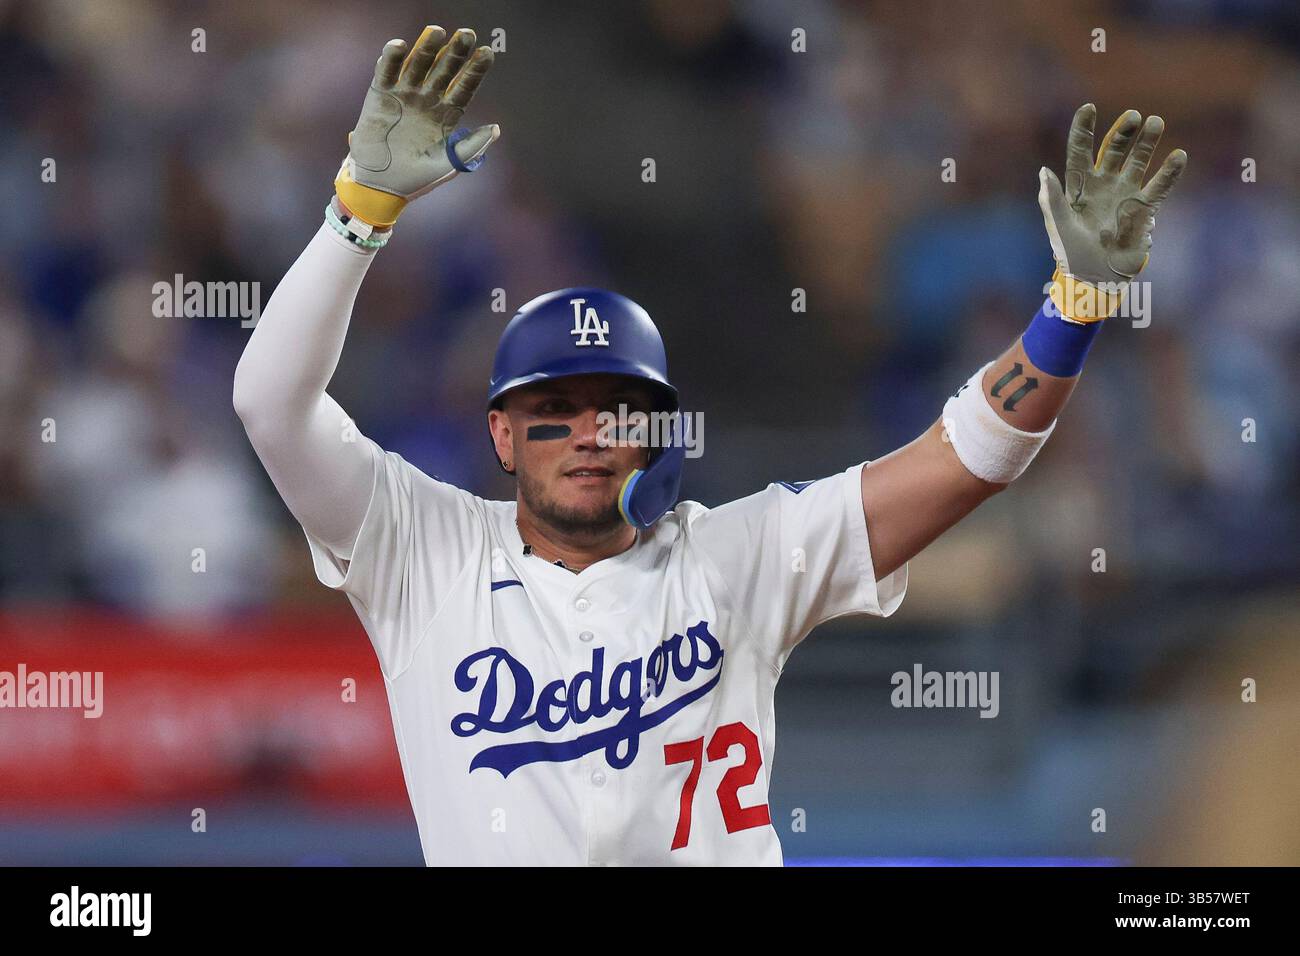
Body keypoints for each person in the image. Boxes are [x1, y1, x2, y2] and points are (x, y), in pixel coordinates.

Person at [232, 25, 1186, 865]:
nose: (588, 435)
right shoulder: (423, 554)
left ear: (657, 428)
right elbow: (272, 403)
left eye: (618, 409)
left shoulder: (742, 556)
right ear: (502, 434)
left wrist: (1072, 312)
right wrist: (359, 210)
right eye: (553, 409)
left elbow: (966, 457)